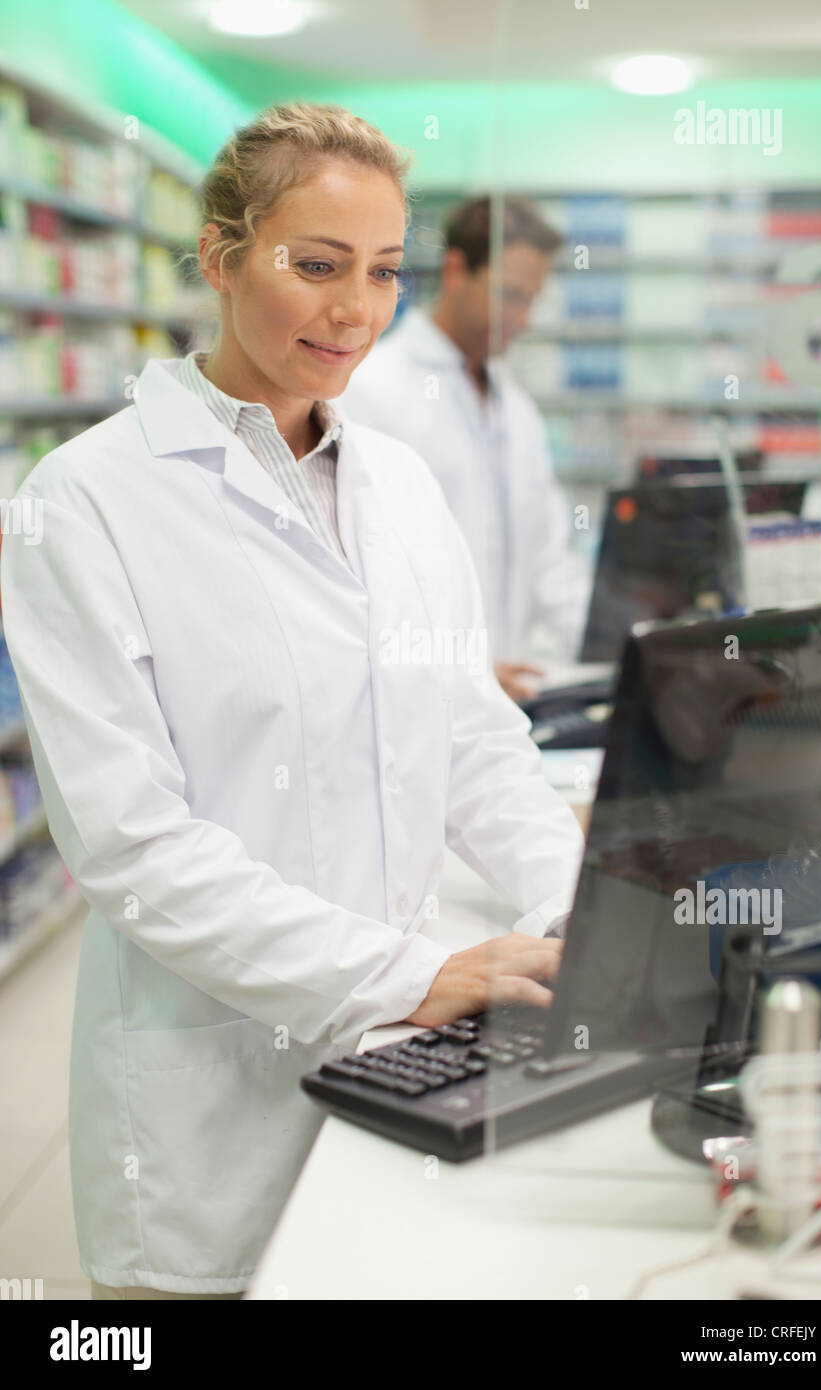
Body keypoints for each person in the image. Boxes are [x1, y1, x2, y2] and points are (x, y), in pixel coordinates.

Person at [0, 102, 582, 1299]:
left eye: (380, 273)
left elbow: (471, 738)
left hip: (413, 1062)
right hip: (207, 1103)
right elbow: (132, 848)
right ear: (218, 256)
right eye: (312, 265)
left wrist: (575, 913)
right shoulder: (86, 500)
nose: (355, 311)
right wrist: (405, 974)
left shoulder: (401, 486)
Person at [340, 195, 592, 702]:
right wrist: (456, 669)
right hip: (413, 703)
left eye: (530, 301)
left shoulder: (516, 408)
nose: (521, 318)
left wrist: (619, 646)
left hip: (510, 705)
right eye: (510, 296)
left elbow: (550, 564)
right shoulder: (371, 389)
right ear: (457, 270)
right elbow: (359, 581)